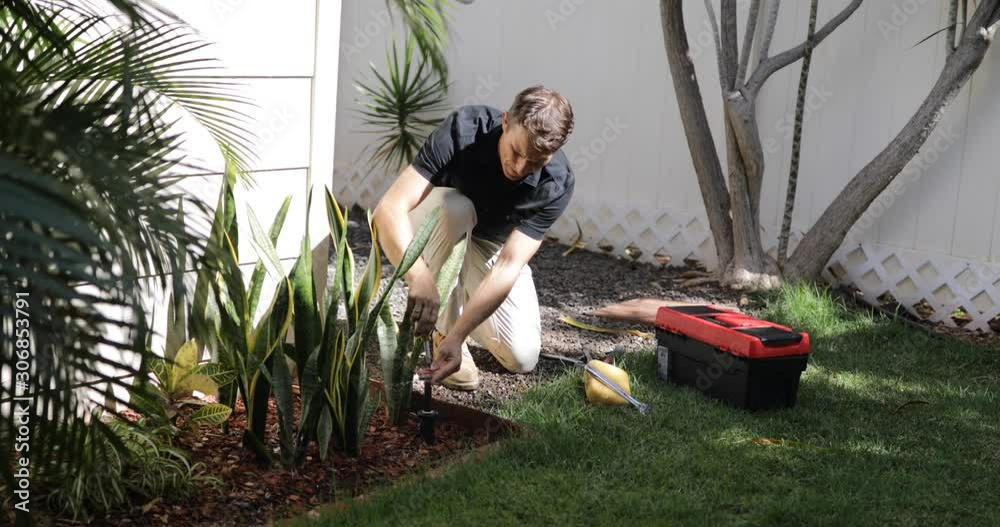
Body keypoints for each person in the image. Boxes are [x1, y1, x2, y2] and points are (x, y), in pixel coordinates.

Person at [372, 85, 575, 391]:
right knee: (457, 207)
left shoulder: (557, 182)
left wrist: (460, 334)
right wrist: (419, 278)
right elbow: (388, 209)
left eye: (534, 162)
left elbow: (508, 264)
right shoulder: (464, 130)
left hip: (486, 242)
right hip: (431, 224)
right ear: (505, 121)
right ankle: (441, 325)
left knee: (522, 357)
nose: (519, 168)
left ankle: (454, 326)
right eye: (516, 152)